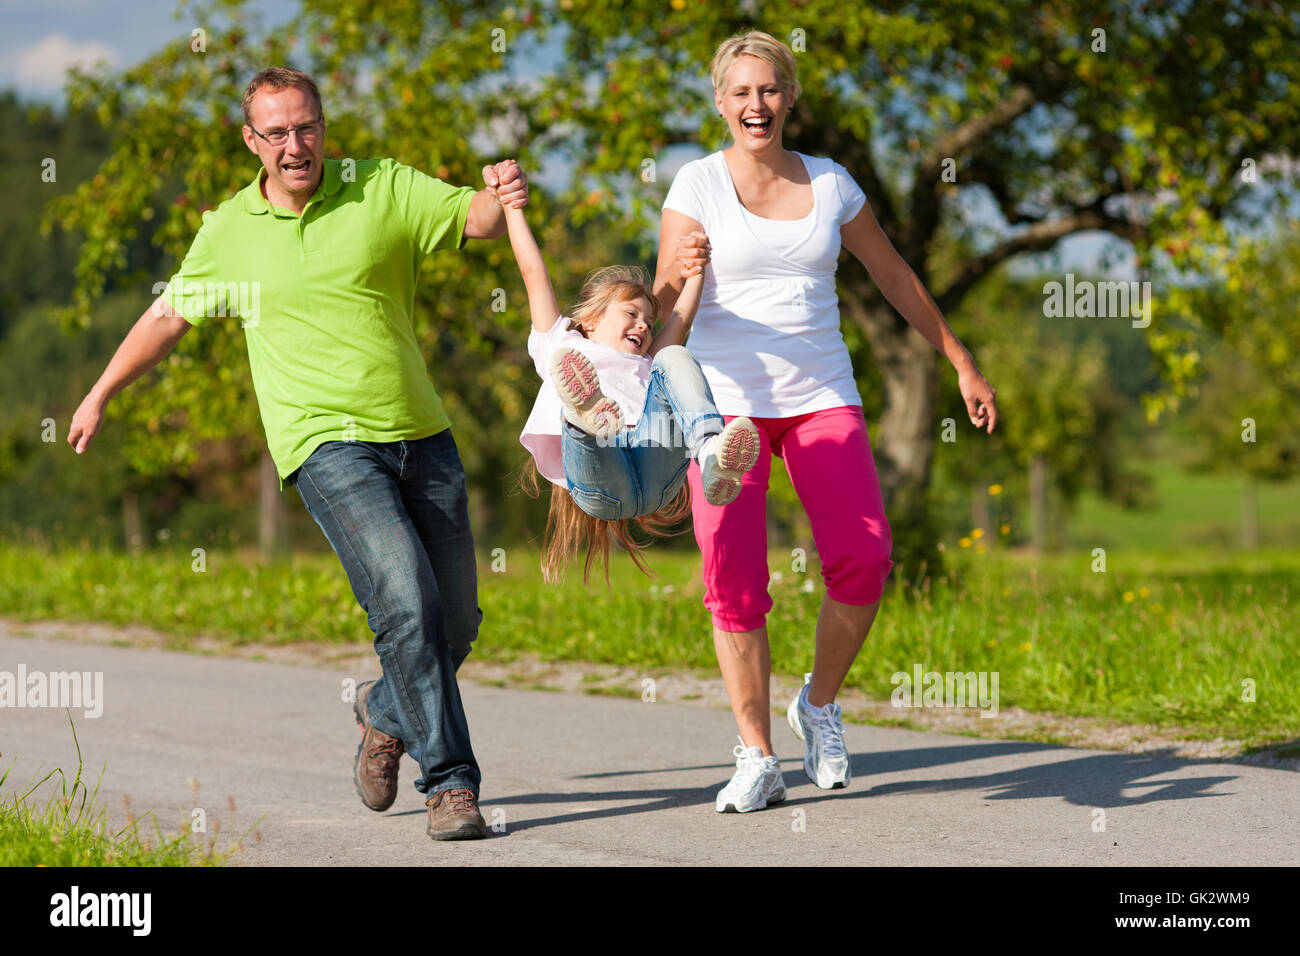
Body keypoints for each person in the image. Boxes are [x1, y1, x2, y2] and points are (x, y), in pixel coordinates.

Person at [66, 66, 528, 841]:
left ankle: (384, 712)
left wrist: (504, 188)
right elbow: (169, 317)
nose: (295, 144)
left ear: (324, 125)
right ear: (251, 141)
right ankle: (450, 785)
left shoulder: (380, 185)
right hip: (323, 445)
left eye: (306, 126)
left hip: (422, 432)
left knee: (454, 624)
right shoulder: (230, 229)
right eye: (276, 132)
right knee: (406, 602)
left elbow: (476, 220)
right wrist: (100, 391)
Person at [654, 32, 999, 813]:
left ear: (790, 97)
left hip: (818, 395)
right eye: (740, 92)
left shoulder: (833, 184)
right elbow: (666, 327)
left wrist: (961, 360)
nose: (756, 105)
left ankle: (818, 704)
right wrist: (691, 275)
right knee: (733, 580)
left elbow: (895, 275)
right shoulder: (694, 187)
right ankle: (756, 755)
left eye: (770, 90)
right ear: (719, 101)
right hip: (722, 408)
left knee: (865, 558)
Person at [505, 189, 760, 583]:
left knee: (674, 357)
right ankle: (587, 416)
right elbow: (533, 272)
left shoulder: (647, 361)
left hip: (656, 473)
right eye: (631, 313)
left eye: (647, 320)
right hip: (599, 482)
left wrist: (697, 270)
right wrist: (512, 208)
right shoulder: (563, 343)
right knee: (579, 401)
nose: (643, 325)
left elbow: (682, 319)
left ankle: (711, 456)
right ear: (590, 319)